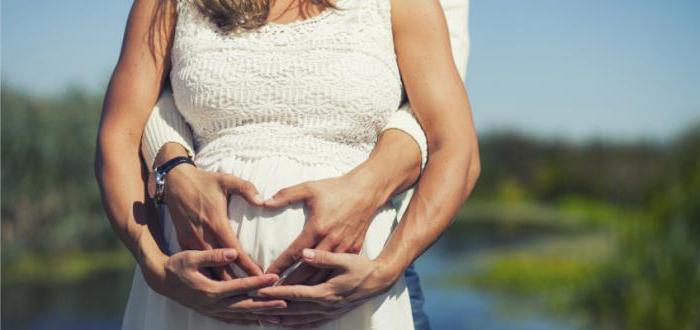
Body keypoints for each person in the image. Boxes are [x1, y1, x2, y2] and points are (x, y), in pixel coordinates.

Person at [95, 0, 478, 329]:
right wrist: (152, 261)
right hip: (191, 299)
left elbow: (454, 148)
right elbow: (120, 136)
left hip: (348, 301)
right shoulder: (170, 4)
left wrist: (389, 266)